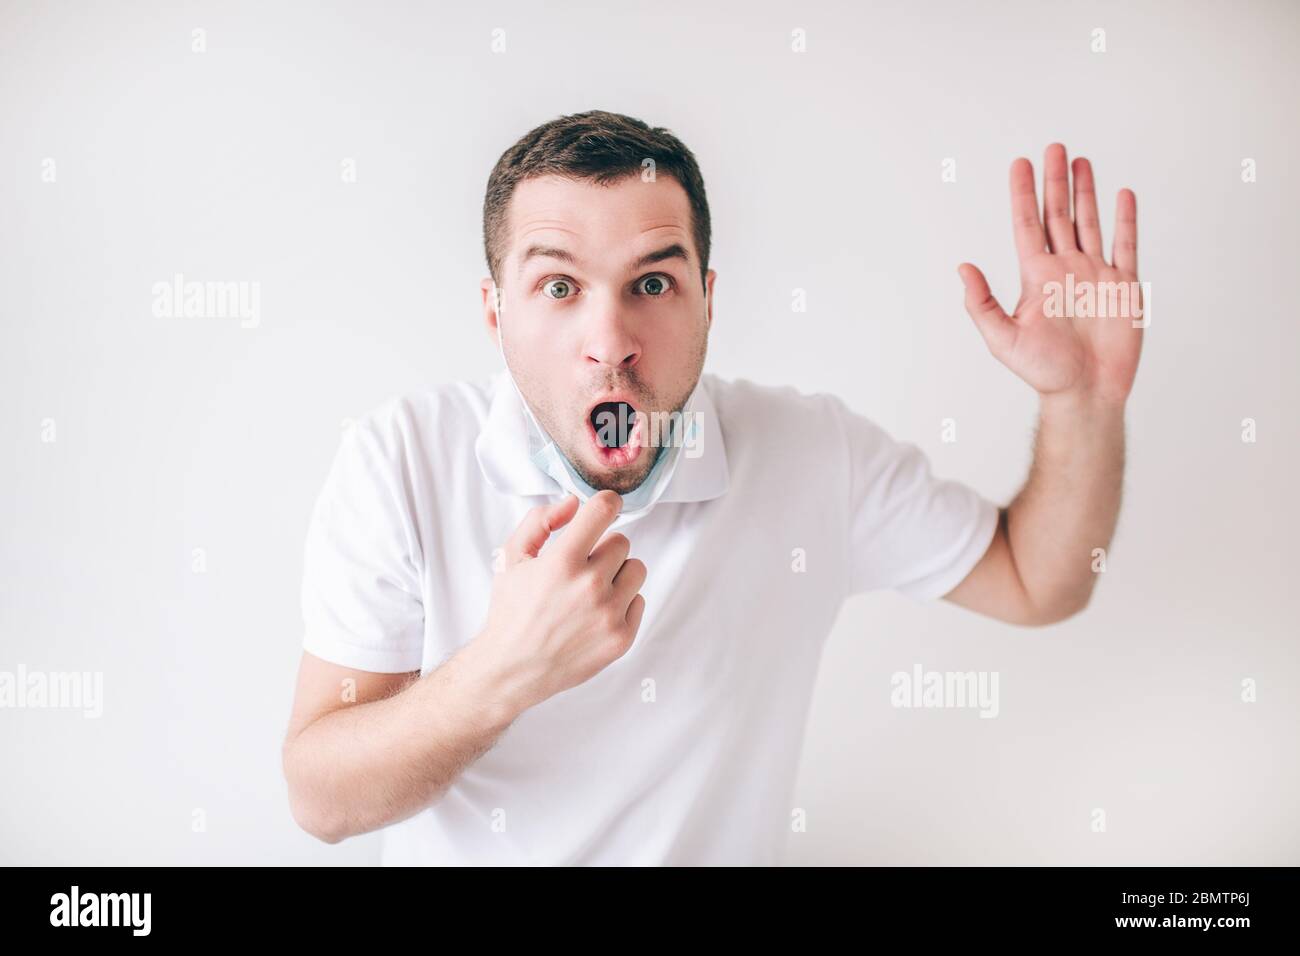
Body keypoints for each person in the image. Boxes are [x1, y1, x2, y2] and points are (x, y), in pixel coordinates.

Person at [281, 109, 1143, 865]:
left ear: (707, 299)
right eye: (558, 285)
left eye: (652, 283)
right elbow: (322, 801)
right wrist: (508, 667)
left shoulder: (813, 453)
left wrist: (1084, 399)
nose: (609, 339)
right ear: (494, 309)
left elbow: (1042, 580)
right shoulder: (399, 458)